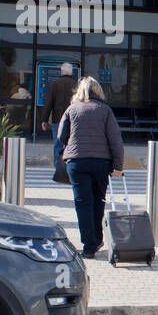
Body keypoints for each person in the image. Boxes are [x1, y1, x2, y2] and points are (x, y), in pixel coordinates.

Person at [57, 76, 124, 259]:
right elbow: (115, 140)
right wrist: (118, 165)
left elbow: (61, 136)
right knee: (98, 201)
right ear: (98, 91)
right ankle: (97, 239)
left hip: (77, 162)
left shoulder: (72, 109)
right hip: (101, 163)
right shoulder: (105, 110)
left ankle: (88, 246)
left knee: (83, 203)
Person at [40, 62, 78, 178]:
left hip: (58, 119)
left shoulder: (55, 84)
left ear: (61, 72)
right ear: (71, 72)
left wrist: (44, 120)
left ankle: (58, 169)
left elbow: (48, 103)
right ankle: (71, 168)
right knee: (71, 144)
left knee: (58, 144)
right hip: (73, 120)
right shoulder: (76, 85)